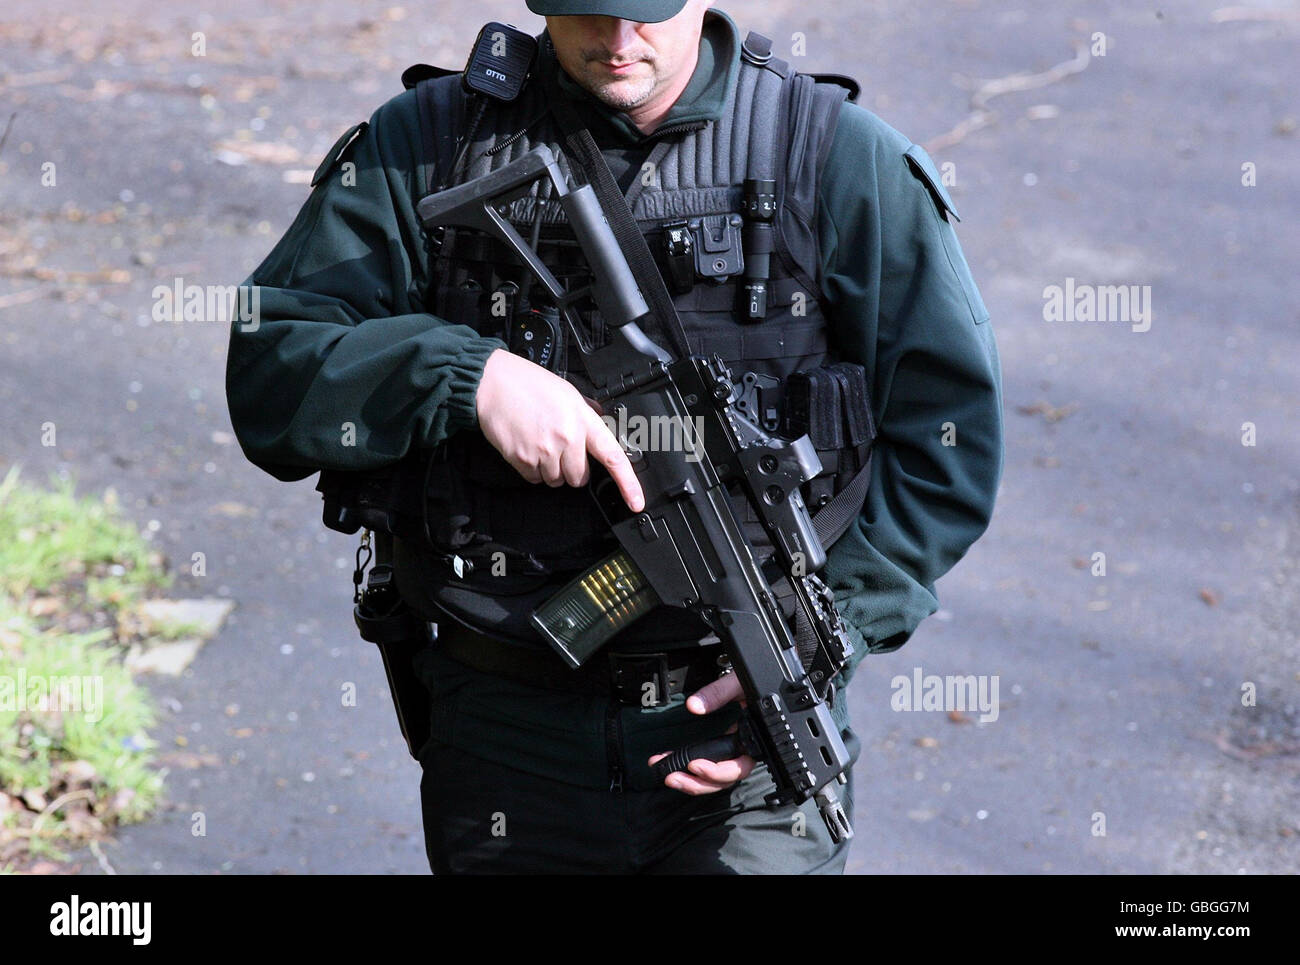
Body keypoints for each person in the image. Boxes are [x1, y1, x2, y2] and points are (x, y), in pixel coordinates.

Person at [225, 0, 1003, 874]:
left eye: (645, 12)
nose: (619, 40)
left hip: (738, 730)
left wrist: (830, 635)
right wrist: (469, 378)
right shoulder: (429, 143)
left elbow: (947, 442)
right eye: (589, 9)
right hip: (505, 733)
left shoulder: (837, 158)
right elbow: (272, 367)